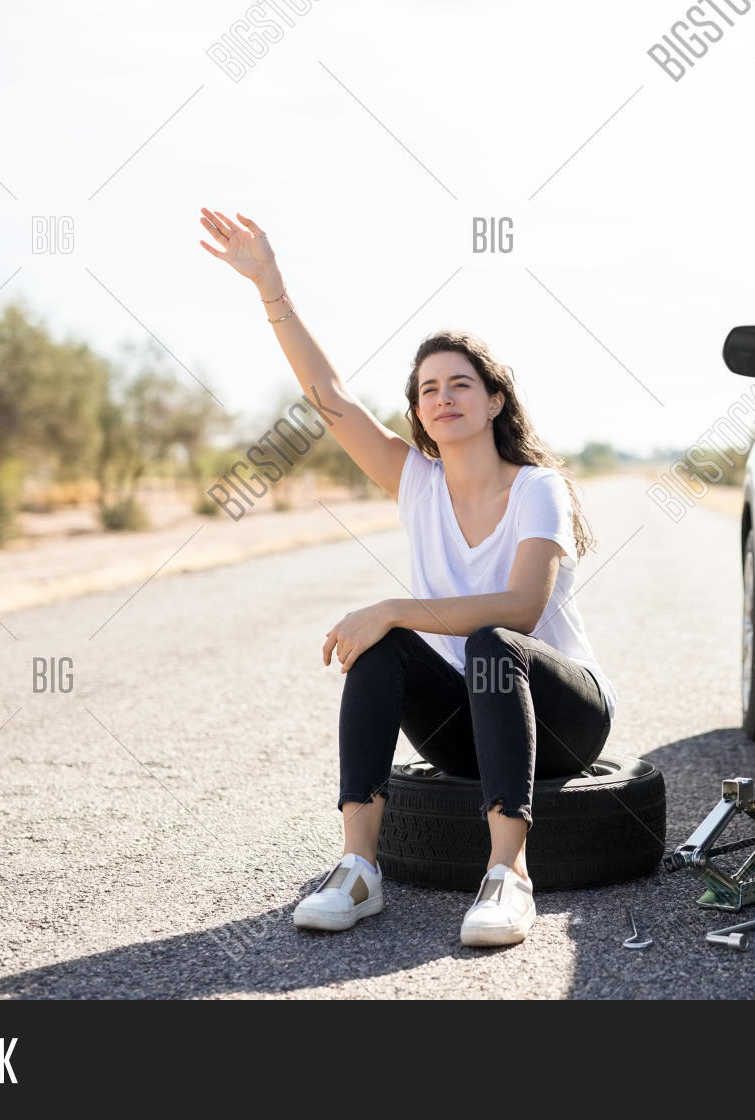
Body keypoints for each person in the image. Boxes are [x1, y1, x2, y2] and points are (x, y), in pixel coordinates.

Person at [198, 208, 617, 947]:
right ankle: (358, 869)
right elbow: (330, 399)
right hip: (468, 731)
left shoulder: (537, 487)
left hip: (561, 718)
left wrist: (395, 605)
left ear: (494, 400)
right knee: (381, 647)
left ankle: (508, 877)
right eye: (428, 389)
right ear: (420, 416)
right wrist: (271, 287)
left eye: (461, 383)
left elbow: (522, 608)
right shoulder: (415, 482)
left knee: (488, 640)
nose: (444, 396)